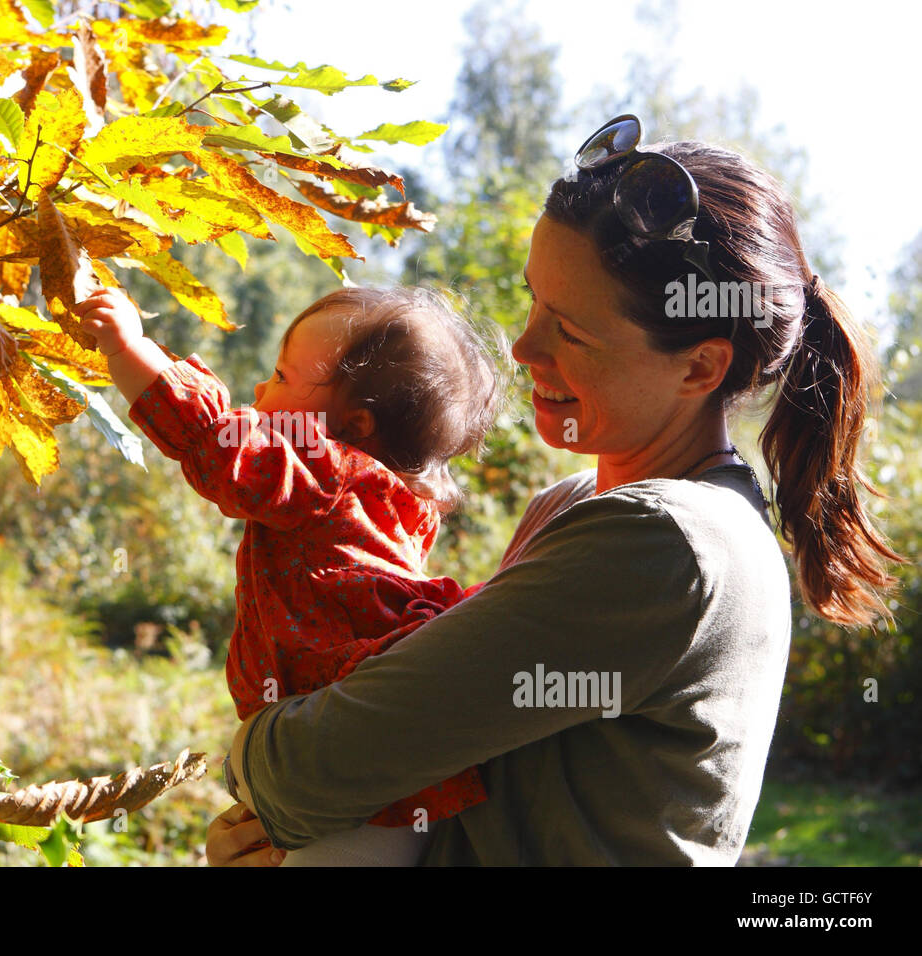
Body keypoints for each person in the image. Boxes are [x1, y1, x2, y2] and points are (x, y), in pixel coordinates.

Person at [208, 115, 904, 866]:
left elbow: (319, 764)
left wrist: (255, 775)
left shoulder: (667, 543)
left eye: (570, 330)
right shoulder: (578, 506)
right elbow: (465, 781)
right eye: (533, 298)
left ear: (700, 367)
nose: (522, 346)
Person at [73, 284, 507, 864]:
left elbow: (216, 443)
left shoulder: (330, 473)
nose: (259, 390)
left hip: (334, 773)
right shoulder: (403, 509)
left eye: (280, 376)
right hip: (382, 783)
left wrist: (129, 348)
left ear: (352, 427)